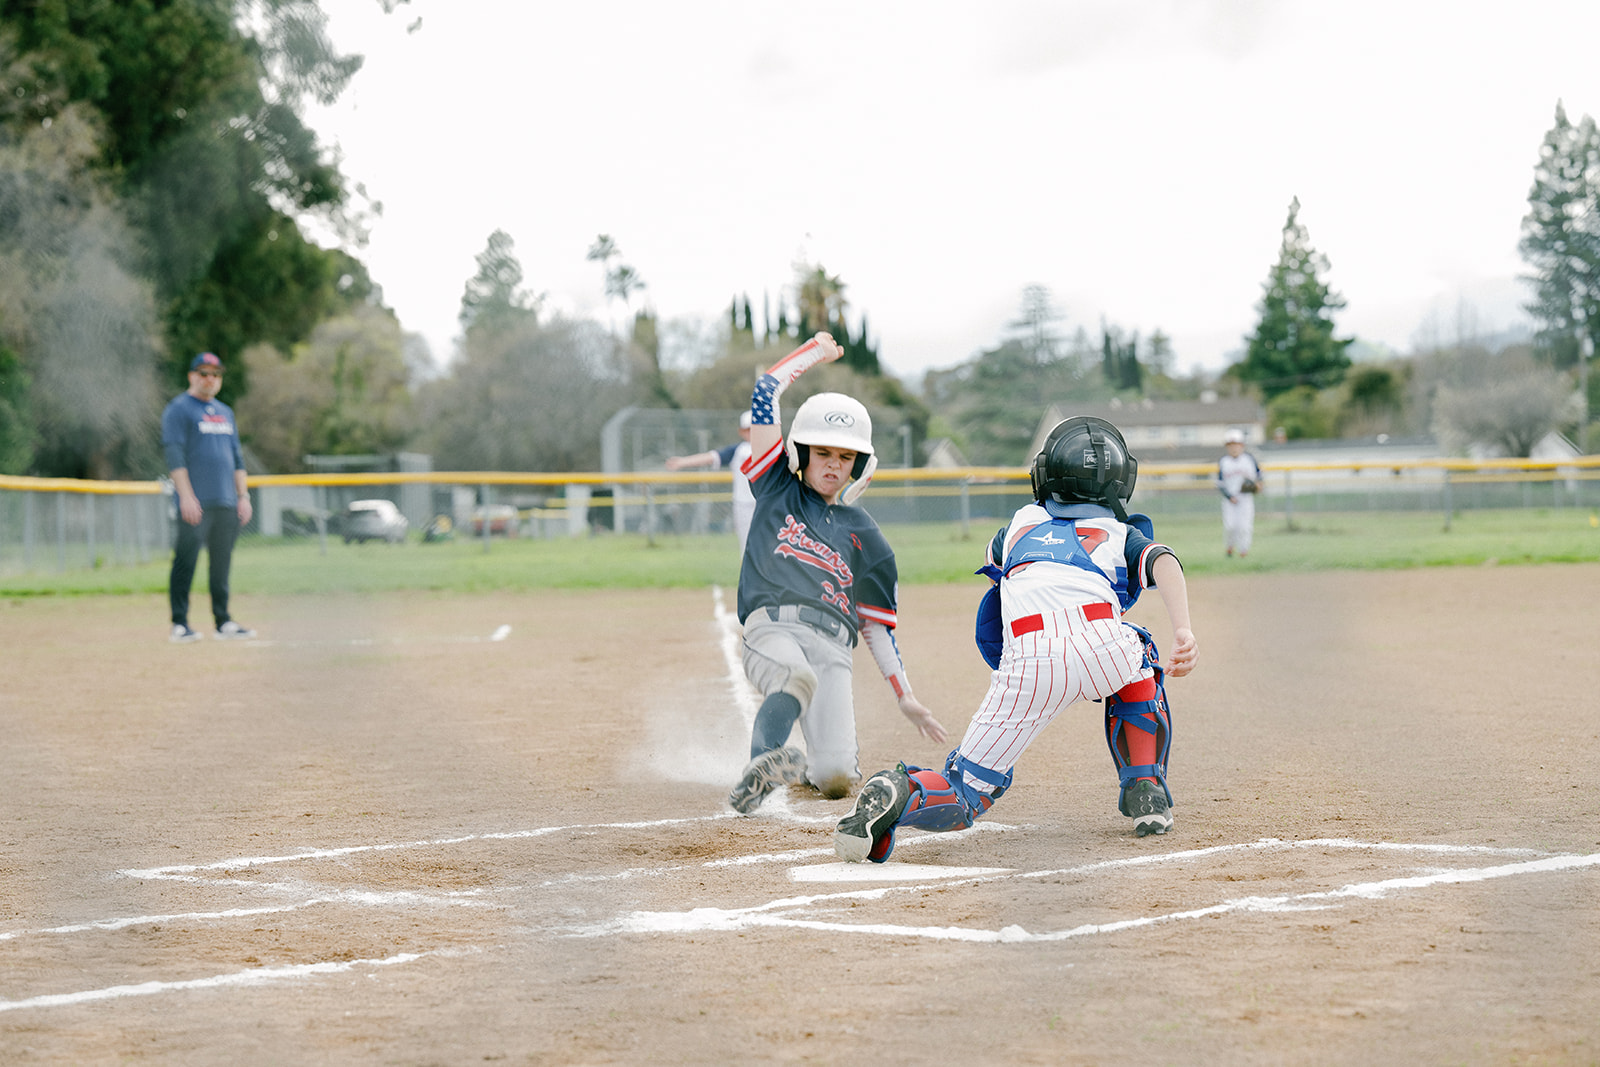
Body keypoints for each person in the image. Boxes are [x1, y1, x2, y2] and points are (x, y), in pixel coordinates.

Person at [833, 416, 1198, 862]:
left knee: (965, 790)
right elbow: (1163, 560)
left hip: (1029, 659)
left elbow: (998, 599)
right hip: (1104, 645)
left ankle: (902, 792)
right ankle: (1146, 787)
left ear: (1045, 475)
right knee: (1141, 655)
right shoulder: (1120, 533)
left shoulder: (1016, 527)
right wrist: (1183, 628)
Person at [727, 333, 947, 813]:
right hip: (775, 627)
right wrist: (814, 353)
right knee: (795, 676)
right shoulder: (775, 485)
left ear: (859, 466)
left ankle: (807, 766)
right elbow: (765, 391)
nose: (833, 466)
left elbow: (875, 625)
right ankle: (761, 765)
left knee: (836, 778)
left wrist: (904, 696)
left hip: (834, 648)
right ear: (801, 453)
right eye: (823, 453)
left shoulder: (865, 533)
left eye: (845, 457)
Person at [162, 352, 256, 643]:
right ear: (192, 376)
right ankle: (180, 624)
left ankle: (223, 621)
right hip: (196, 502)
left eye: (215, 374)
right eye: (203, 373)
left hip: (226, 501)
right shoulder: (179, 409)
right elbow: (175, 456)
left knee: (221, 564)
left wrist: (243, 496)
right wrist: (186, 496)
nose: (210, 379)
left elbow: (237, 459)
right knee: (186, 560)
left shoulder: (225, 412)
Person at [665, 410, 756, 555]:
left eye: (755, 428)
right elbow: (710, 457)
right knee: (747, 547)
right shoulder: (738, 450)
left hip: (767, 502)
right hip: (744, 504)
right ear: (741, 431)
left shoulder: (772, 449)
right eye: (748, 429)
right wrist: (683, 462)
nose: (752, 433)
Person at [1216, 428, 1263, 558]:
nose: (1234, 448)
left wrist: (1259, 485)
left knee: (1245, 526)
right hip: (1230, 499)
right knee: (1230, 526)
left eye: (1236, 444)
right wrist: (1229, 496)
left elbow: (1259, 476)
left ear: (1242, 445)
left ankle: (1243, 551)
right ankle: (1230, 547)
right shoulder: (1224, 462)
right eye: (1230, 445)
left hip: (1246, 497)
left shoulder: (1249, 460)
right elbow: (1220, 483)